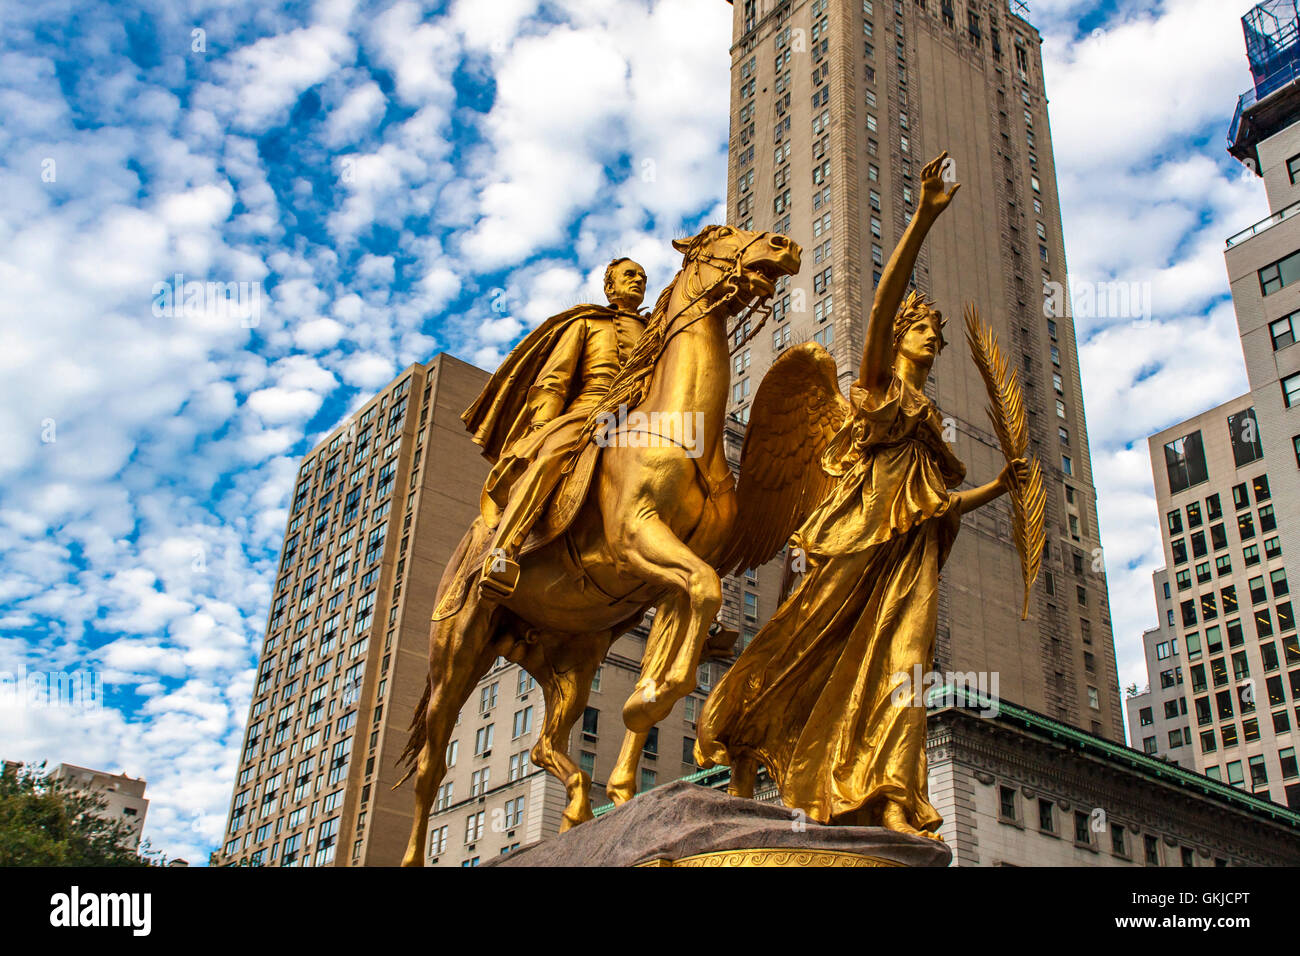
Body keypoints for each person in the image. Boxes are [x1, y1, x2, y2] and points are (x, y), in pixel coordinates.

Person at [694, 153, 1028, 837]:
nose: (933, 337)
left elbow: (934, 505)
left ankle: (894, 796)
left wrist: (999, 486)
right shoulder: (876, 389)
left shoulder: (930, 426)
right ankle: (742, 731)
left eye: (936, 331)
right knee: (798, 646)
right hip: (852, 548)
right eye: (924, 328)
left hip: (908, 560)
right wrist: (924, 218)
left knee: (904, 670)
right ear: (901, 338)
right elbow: (882, 303)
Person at [464, 259, 648, 600]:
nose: (638, 281)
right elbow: (555, 379)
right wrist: (542, 428)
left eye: (642, 277)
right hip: (589, 411)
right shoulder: (588, 322)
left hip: (642, 418)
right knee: (551, 457)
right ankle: (504, 552)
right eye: (630, 275)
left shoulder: (657, 332)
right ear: (610, 287)